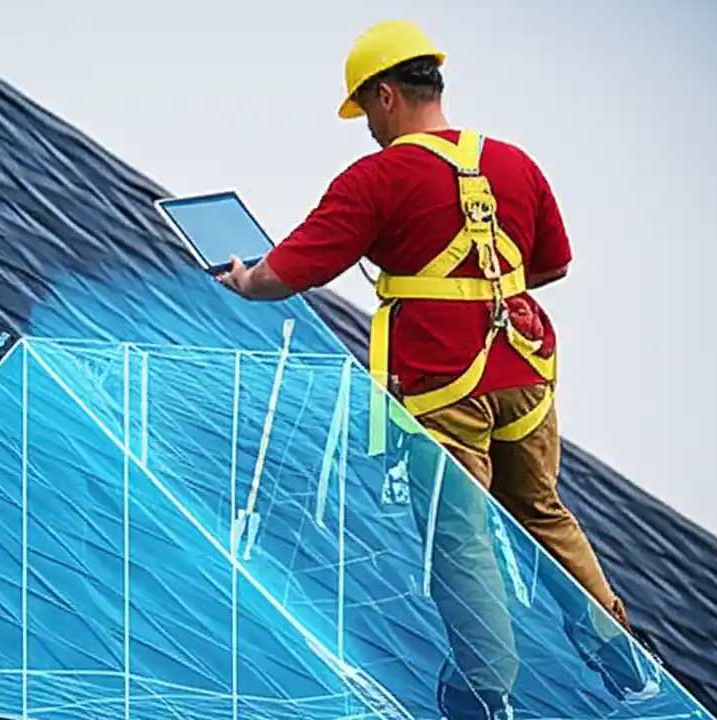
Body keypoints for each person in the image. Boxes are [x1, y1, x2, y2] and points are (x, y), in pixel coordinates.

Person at [213, 19, 661, 718]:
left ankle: (485, 693)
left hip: (441, 383)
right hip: (526, 375)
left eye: (365, 110)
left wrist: (246, 280)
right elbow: (553, 263)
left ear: (386, 95)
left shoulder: (379, 176)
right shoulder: (515, 162)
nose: (365, 126)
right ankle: (621, 658)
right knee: (542, 511)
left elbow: (290, 271)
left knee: (460, 536)